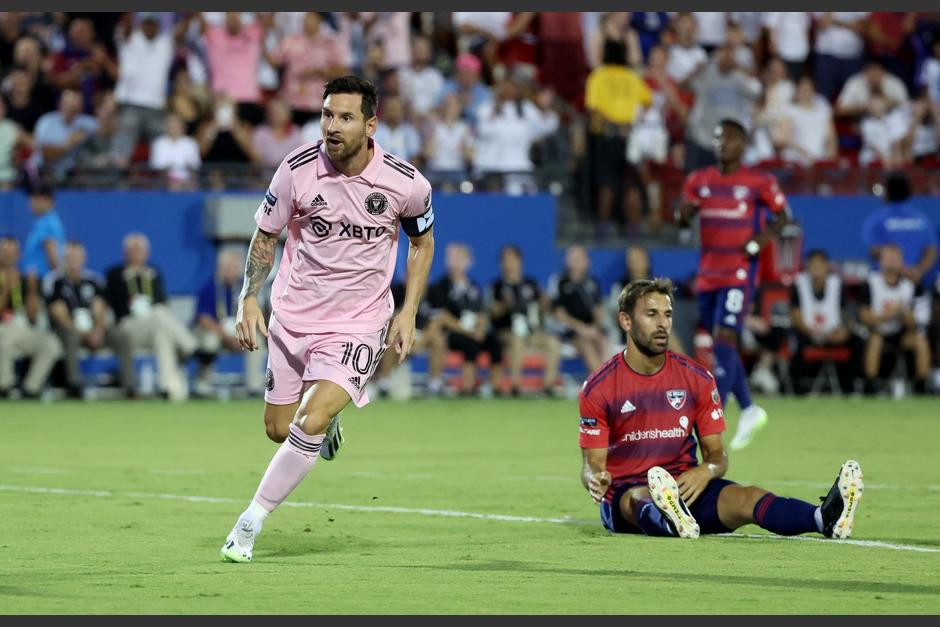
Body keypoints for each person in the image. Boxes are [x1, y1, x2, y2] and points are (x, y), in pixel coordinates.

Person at [219, 75, 436, 563]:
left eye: (344, 117)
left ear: (370, 124)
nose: (331, 127)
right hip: (293, 318)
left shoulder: (405, 184)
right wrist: (248, 298)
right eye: (326, 115)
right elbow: (265, 236)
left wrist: (408, 312)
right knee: (279, 429)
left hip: (358, 322)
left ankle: (248, 524)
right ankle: (326, 424)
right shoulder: (296, 170)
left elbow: (422, 244)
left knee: (309, 419)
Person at [579, 278, 864, 540]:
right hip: (627, 496)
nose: (662, 323)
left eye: (667, 314)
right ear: (626, 321)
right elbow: (592, 466)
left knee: (747, 497)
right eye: (651, 314)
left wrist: (705, 471)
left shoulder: (697, 378)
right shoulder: (600, 387)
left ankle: (823, 517)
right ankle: (668, 519)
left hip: (687, 485)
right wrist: (596, 479)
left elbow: (717, 456)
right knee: (637, 498)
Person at [676, 118, 795, 451]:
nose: (720, 143)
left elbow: (784, 217)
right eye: (717, 137)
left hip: (739, 272)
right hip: (708, 272)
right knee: (720, 344)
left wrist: (760, 239)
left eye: (726, 138)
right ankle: (749, 409)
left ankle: (714, 417)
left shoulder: (758, 181)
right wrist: (682, 214)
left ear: (742, 144)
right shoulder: (699, 180)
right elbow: (682, 218)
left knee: (726, 336)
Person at [104, 232, 197, 400]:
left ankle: (168, 388)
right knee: (159, 314)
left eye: (140, 249)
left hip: (153, 325)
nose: (137, 253)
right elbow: (114, 304)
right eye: (133, 249)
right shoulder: (115, 273)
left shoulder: (153, 273)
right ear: (125, 252)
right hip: (128, 326)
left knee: (162, 333)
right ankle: (191, 347)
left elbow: (161, 300)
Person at [42, 240, 121, 398]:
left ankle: (130, 384)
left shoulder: (94, 280)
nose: (73, 261)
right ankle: (74, 385)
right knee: (71, 335)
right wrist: (81, 332)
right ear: (63, 259)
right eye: (69, 257)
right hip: (65, 331)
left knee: (122, 335)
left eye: (76, 257)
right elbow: (59, 313)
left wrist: (98, 329)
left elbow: (99, 307)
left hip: (92, 331)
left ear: (84, 258)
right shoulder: (54, 281)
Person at [426, 242, 502, 398]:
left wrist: (480, 329)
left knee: (494, 342)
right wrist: (466, 330)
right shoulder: (440, 286)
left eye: (459, 258)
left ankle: (493, 386)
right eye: (451, 258)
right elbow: (442, 316)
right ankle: (467, 389)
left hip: (472, 331)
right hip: (452, 332)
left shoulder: (473, 286)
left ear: (468, 261)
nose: (454, 262)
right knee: (470, 343)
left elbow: (481, 311)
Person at [488, 244, 561, 397]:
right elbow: (491, 312)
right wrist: (504, 305)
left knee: (552, 342)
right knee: (517, 339)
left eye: (512, 259)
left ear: (520, 261)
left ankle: (548, 386)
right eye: (505, 260)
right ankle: (515, 386)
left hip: (531, 331)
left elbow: (544, 307)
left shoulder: (530, 284)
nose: (509, 263)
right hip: (506, 332)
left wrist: (544, 303)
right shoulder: (496, 286)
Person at [858, 245, 931, 395]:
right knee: (875, 340)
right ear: (880, 262)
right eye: (888, 257)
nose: (891, 261)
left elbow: (916, 323)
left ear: (901, 262)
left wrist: (904, 315)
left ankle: (922, 386)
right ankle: (870, 386)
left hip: (901, 333)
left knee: (920, 340)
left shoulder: (910, 286)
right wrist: (890, 314)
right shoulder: (870, 283)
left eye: (895, 257)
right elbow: (865, 317)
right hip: (876, 332)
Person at [193, 246, 265, 398]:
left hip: (237, 331)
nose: (233, 270)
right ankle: (203, 383)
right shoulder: (209, 287)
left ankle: (253, 385)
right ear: (221, 267)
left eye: (236, 267)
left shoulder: (244, 288)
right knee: (208, 341)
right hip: (217, 333)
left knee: (256, 339)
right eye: (229, 267)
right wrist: (226, 336)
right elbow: (204, 319)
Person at [788, 249, 861, 395]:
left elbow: (846, 315)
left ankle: (851, 387)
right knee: (796, 343)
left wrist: (843, 332)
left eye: (819, 265)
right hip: (808, 333)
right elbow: (795, 317)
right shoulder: (798, 284)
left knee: (857, 342)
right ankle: (796, 389)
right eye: (812, 265)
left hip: (833, 333)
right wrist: (813, 332)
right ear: (807, 267)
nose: (816, 269)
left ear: (827, 266)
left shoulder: (837, 285)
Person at [0, 236, 63, 399]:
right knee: (2, 338)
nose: (7, 255)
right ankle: (5, 386)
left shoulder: (24, 279)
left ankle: (31, 388)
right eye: (4, 251)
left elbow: (32, 315)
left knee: (51, 344)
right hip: (2, 327)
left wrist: (33, 290)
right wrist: (7, 288)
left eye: (11, 252)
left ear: (18, 255)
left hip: (22, 328)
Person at [861, 171, 938, 288]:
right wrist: (918, 270)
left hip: (885, 286)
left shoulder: (877, 220)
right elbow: (931, 251)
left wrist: (901, 270)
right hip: (914, 280)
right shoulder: (922, 219)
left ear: (887, 191)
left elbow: (874, 250)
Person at [550, 245, 607, 373]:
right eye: (571, 258)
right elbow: (559, 314)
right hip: (570, 331)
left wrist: (594, 327)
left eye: (578, 258)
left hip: (591, 329)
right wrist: (582, 328)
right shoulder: (559, 282)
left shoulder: (592, 282)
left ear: (587, 261)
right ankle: (600, 384)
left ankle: (612, 383)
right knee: (586, 345)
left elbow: (598, 310)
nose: (574, 262)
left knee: (603, 341)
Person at [21, 180, 66, 281]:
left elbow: (52, 253)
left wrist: (58, 281)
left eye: (36, 199)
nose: (31, 203)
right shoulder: (43, 221)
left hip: (41, 280)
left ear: (48, 201)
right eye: (31, 198)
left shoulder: (48, 223)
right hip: (35, 278)